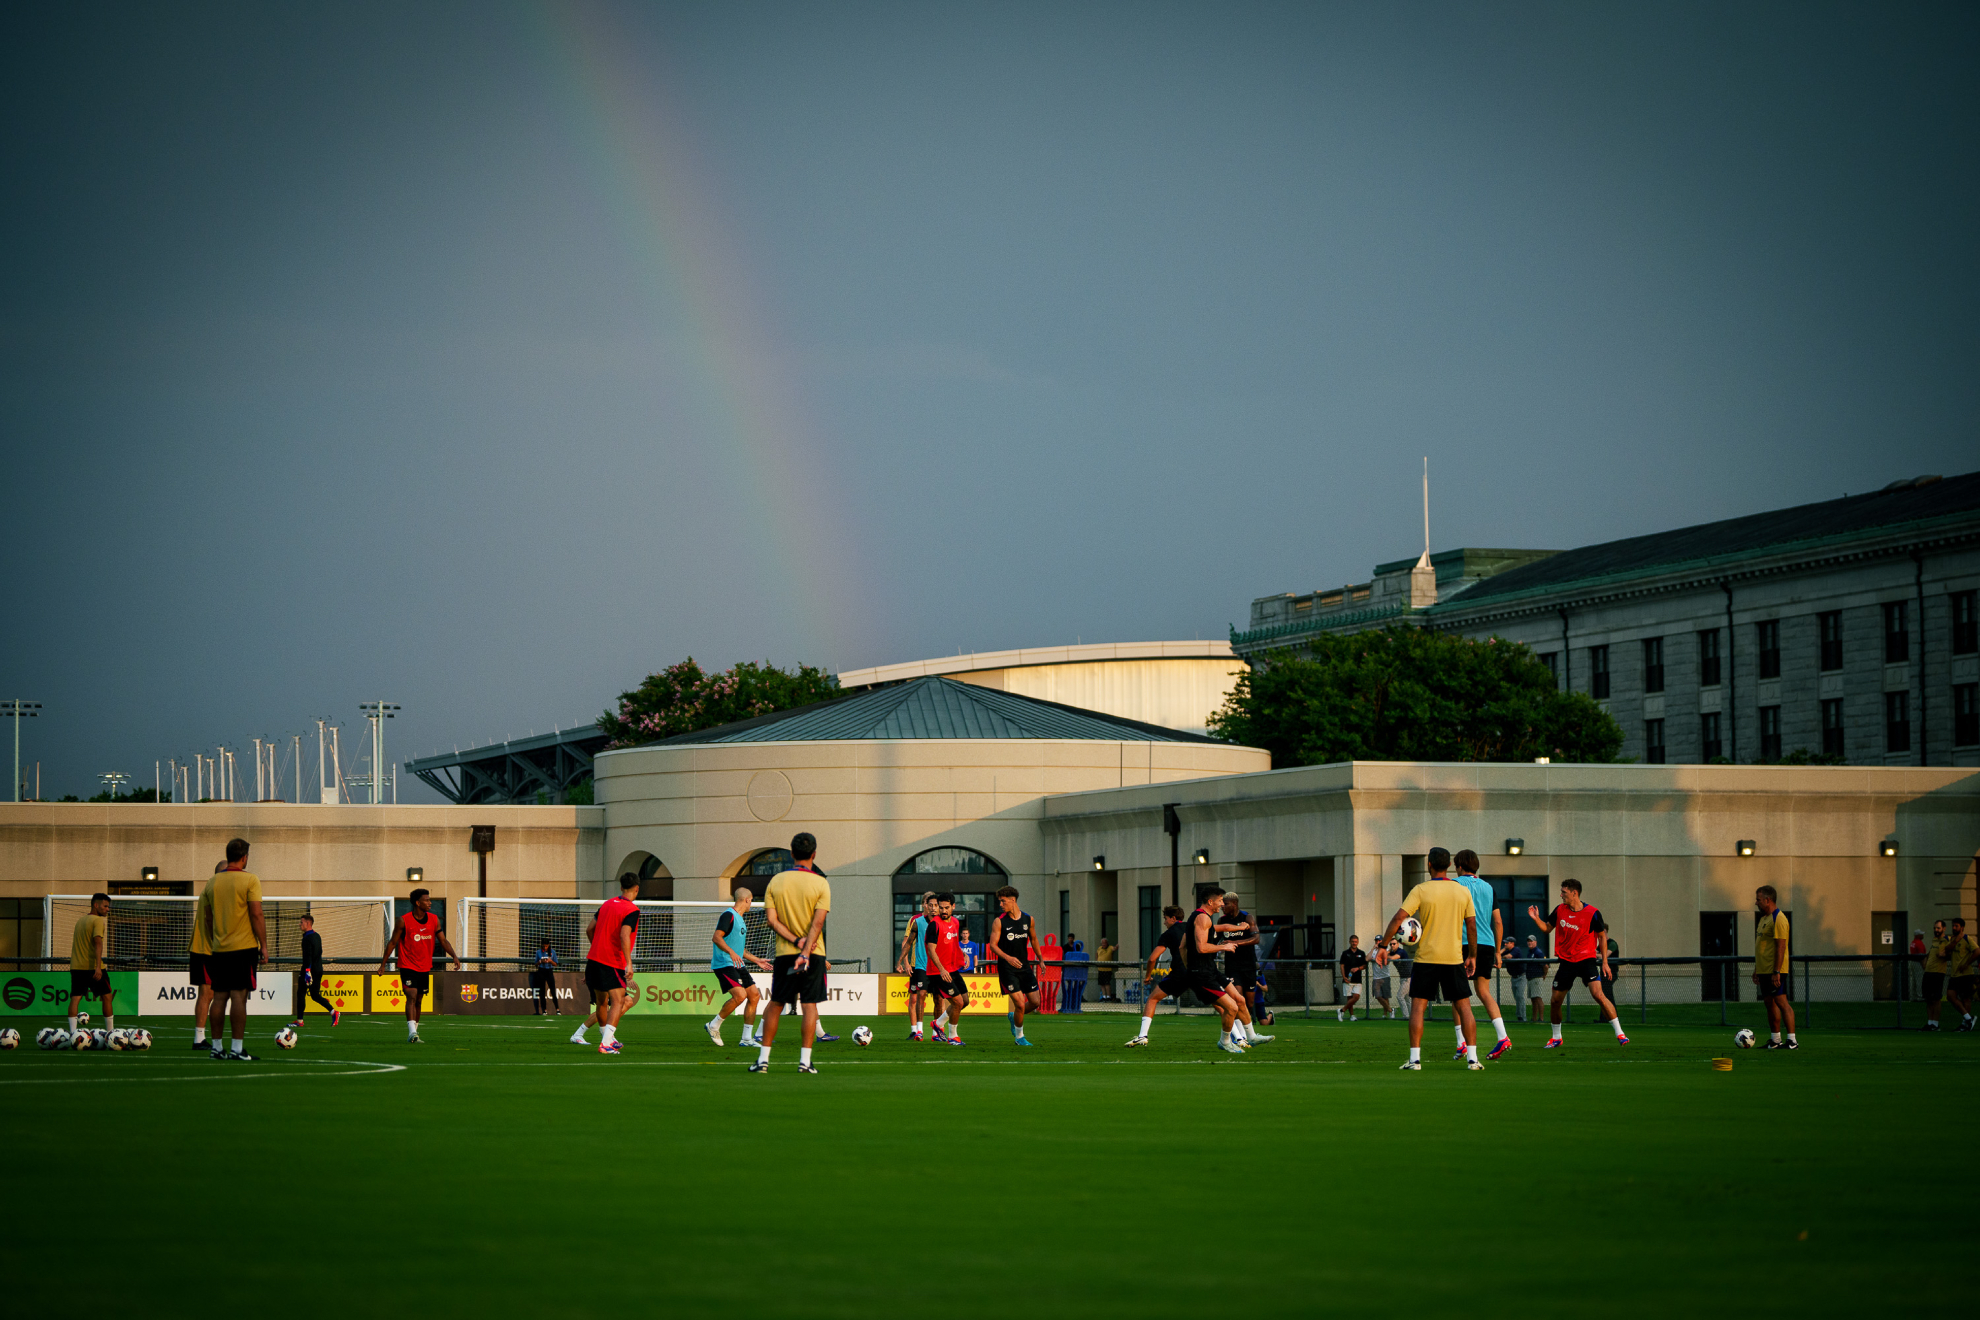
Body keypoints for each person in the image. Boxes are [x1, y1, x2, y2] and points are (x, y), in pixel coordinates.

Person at [1378, 847, 1481, 1071]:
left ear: (1429, 865)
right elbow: (1471, 925)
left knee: (1418, 1008)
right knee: (1465, 1007)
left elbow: (1399, 918)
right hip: (1453, 959)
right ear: (1450, 867)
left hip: (1426, 959)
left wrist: (1383, 946)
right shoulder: (1462, 891)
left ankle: (1415, 1060)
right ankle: (1473, 1059)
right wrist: (1472, 955)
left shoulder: (1421, 889)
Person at [754, 832, 831, 1074]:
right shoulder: (821, 883)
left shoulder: (776, 881)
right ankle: (804, 1063)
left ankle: (763, 1061)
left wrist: (795, 941)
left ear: (791, 853)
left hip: (785, 953)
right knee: (809, 1006)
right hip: (814, 954)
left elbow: (771, 920)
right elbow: (818, 924)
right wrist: (806, 950)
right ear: (814, 854)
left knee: (776, 1003)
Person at [1528, 878, 1628, 1048]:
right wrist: (1536, 918)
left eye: (1564, 892)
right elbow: (1546, 928)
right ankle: (1556, 1037)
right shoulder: (1560, 909)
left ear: (1574, 893)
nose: (1561, 895)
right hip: (1567, 962)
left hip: (1586, 960)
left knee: (1598, 995)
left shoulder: (1593, 913)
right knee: (1555, 1001)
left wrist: (1604, 962)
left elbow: (1602, 937)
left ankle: (1620, 1033)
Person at [202, 838, 268, 1061]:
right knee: (239, 997)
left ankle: (216, 1048)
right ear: (244, 857)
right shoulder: (250, 880)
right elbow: (256, 914)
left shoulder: (212, 882)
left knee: (219, 997)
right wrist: (265, 946)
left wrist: (215, 940)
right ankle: (237, 1049)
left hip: (219, 949)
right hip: (243, 948)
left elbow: (207, 917)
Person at [1184, 886, 1268, 1052]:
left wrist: (1239, 927)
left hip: (1209, 969)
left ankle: (1251, 1037)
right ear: (1210, 902)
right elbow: (1201, 948)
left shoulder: (1203, 917)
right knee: (1231, 1007)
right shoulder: (1202, 918)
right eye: (1220, 900)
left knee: (1241, 1000)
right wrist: (1225, 947)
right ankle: (1225, 1041)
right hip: (1202, 973)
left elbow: (1183, 945)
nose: (1221, 904)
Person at [1452, 849, 1512, 1059]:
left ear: (1459, 866)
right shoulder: (1488, 887)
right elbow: (1497, 921)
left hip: (1464, 943)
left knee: (1457, 992)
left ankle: (1461, 1043)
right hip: (1486, 945)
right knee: (1484, 991)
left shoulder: (1455, 885)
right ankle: (1503, 1037)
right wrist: (1498, 951)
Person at [379, 887, 459, 1045]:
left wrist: (454, 955)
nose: (430, 902)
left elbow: (443, 940)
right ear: (417, 902)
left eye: (430, 900)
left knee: (419, 1000)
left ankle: (415, 1033)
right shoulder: (403, 920)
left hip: (425, 967)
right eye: (426, 900)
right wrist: (383, 964)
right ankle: (412, 1032)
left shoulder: (434, 920)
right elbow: (393, 942)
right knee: (411, 996)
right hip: (408, 965)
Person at [572, 874, 641, 1053]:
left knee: (602, 1003)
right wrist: (629, 963)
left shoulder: (607, 904)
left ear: (620, 888)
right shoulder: (631, 910)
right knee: (619, 1001)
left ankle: (607, 1038)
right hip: (612, 961)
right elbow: (624, 935)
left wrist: (597, 947)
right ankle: (606, 1044)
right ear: (637, 888)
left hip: (593, 960)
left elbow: (589, 929)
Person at [705, 887, 773, 1047]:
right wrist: (731, 952)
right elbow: (716, 937)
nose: (752, 904)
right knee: (740, 995)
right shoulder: (728, 915)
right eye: (751, 901)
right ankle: (713, 1025)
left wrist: (756, 960)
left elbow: (739, 949)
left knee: (754, 996)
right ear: (747, 900)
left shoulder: (741, 920)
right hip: (724, 963)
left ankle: (746, 1038)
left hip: (737, 963)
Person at [1125, 906, 1192, 1046]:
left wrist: (1148, 976)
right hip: (1198, 971)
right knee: (1219, 1002)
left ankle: (1143, 1035)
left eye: (1165, 919)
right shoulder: (1192, 926)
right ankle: (1238, 1037)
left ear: (1173, 918)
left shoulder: (1168, 934)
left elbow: (1152, 959)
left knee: (1152, 999)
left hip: (1179, 972)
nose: (1164, 922)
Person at [988, 885, 1042, 1046]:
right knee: (1019, 1003)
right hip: (1007, 969)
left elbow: (1034, 939)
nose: (1000, 904)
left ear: (1013, 900)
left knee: (1035, 1002)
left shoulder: (1028, 919)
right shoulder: (999, 922)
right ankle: (1020, 1037)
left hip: (1024, 968)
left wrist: (1041, 959)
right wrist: (1008, 958)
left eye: (1003, 901)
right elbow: (992, 945)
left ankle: (1013, 1016)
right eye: (1000, 901)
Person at [1752, 885, 1798, 1049]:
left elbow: (1780, 947)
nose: (1756, 902)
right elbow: (1762, 946)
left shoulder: (1779, 918)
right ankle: (1775, 1040)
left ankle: (1792, 1041)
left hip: (1775, 971)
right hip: (1764, 970)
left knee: (1781, 1002)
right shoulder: (1764, 919)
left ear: (1767, 900)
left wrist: (1776, 971)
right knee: (1769, 1003)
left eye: (1758, 899)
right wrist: (1758, 968)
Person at [922, 892, 971, 1045]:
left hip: (952, 968)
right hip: (938, 971)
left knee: (965, 1001)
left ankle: (938, 1023)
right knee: (956, 1003)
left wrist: (964, 954)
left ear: (953, 907)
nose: (943, 911)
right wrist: (942, 969)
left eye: (946, 908)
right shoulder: (934, 925)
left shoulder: (956, 923)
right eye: (940, 907)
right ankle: (952, 1037)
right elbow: (931, 950)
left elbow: (953, 944)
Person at [1218, 892, 1272, 1027]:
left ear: (1234, 904)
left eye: (1226, 904)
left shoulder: (1247, 917)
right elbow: (1214, 938)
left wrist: (1235, 943)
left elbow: (1256, 939)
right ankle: (1242, 1029)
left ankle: (1250, 1021)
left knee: (1249, 1002)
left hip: (1248, 965)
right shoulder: (1222, 921)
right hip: (1232, 965)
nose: (1222, 906)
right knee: (1238, 998)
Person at [67, 892, 115, 1038]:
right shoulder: (98, 921)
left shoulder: (80, 921)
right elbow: (97, 942)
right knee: (107, 997)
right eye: (105, 906)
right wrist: (98, 966)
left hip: (76, 967)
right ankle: (110, 1034)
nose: (108, 909)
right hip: (93, 968)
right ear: (96, 905)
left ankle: (72, 1034)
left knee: (75, 998)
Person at [187, 863, 221, 1050]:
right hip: (207, 950)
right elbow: (210, 919)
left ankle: (202, 1038)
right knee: (207, 994)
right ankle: (199, 1038)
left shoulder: (209, 888)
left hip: (206, 948)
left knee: (211, 994)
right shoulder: (214, 888)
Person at [897, 892, 938, 1041]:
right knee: (915, 998)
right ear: (924, 904)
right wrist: (906, 962)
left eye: (934, 903)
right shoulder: (915, 920)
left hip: (934, 966)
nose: (931, 906)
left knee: (938, 999)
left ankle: (937, 1030)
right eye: (928, 903)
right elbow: (906, 941)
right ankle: (915, 1030)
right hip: (916, 964)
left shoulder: (940, 920)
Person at [292, 913, 338, 1027]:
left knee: (301, 993)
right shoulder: (317, 936)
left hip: (309, 970)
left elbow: (308, 956)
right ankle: (333, 1012)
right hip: (318, 969)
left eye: (301, 922)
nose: (300, 924)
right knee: (315, 995)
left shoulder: (307, 938)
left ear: (308, 923)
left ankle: (300, 1021)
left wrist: (307, 971)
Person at [1946, 917, 1977, 1032]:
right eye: (1953, 926)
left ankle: (1966, 1024)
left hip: (1965, 974)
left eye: (1956, 926)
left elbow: (1977, 951)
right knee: (1950, 996)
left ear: (1962, 927)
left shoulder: (1967, 938)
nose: (1954, 928)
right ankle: (1969, 1018)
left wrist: (1967, 963)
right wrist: (1955, 941)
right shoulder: (1953, 939)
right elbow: (1947, 949)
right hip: (1954, 974)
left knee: (1965, 999)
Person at [1922, 920, 1949, 1030]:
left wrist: (1944, 955)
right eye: (1935, 928)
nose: (1936, 930)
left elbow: (1950, 954)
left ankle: (1936, 1024)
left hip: (1938, 973)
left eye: (1938, 928)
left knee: (1936, 999)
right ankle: (1930, 1023)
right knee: (1928, 998)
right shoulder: (1934, 941)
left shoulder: (1946, 940)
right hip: (1929, 972)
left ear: (1944, 928)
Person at [1337, 934, 1367, 1022]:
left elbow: (1365, 965)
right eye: (1353, 942)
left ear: (1358, 942)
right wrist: (1344, 977)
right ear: (1350, 942)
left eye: (1356, 942)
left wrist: (1358, 968)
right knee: (1349, 998)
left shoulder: (1361, 953)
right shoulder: (1345, 953)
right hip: (1348, 979)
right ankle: (1352, 1016)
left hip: (1357, 979)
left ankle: (1341, 1010)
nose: (1354, 943)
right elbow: (1342, 965)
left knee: (1356, 997)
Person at [1519, 935, 1547, 1023]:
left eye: (1531, 941)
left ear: (1535, 942)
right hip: (1530, 978)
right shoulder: (1529, 952)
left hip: (1536, 977)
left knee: (1538, 998)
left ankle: (1541, 1018)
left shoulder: (1538, 952)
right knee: (1533, 999)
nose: (1529, 942)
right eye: (1528, 941)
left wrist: (1544, 975)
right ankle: (1534, 1018)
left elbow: (1545, 965)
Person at [1369, 937, 1398, 1018]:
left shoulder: (1387, 950)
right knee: (1378, 996)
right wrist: (1372, 949)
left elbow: (1387, 962)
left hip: (1385, 976)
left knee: (1386, 996)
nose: (1378, 942)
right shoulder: (1373, 951)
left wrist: (1378, 957)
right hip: (1376, 977)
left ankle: (1385, 1014)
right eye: (1376, 940)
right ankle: (1391, 1010)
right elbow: (1367, 958)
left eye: (1380, 941)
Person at [530, 938, 558, 1016]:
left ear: (548, 945)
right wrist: (540, 962)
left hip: (549, 971)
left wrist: (550, 961)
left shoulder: (552, 952)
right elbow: (535, 964)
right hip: (541, 971)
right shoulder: (538, 952)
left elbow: (556, 964)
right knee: (542, 992)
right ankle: (544, 1010)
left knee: (553, 990)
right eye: (543, 946)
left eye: (546, 946)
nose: (545, 947)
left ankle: (557, 1009)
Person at [1096, 935, 1117, 1001]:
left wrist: (1117, 945)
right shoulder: (1099, 948)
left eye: (1105, 943)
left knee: (1107, 983)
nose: (1104, 944)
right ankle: (1104, 996)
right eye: (1102, 943)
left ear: (1107, 943)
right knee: (1102, 984)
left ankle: (1108, 996)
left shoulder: (1110, 947)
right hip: (1100, 969)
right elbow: (1096, 954)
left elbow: (1114, 949)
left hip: (1107, 969)